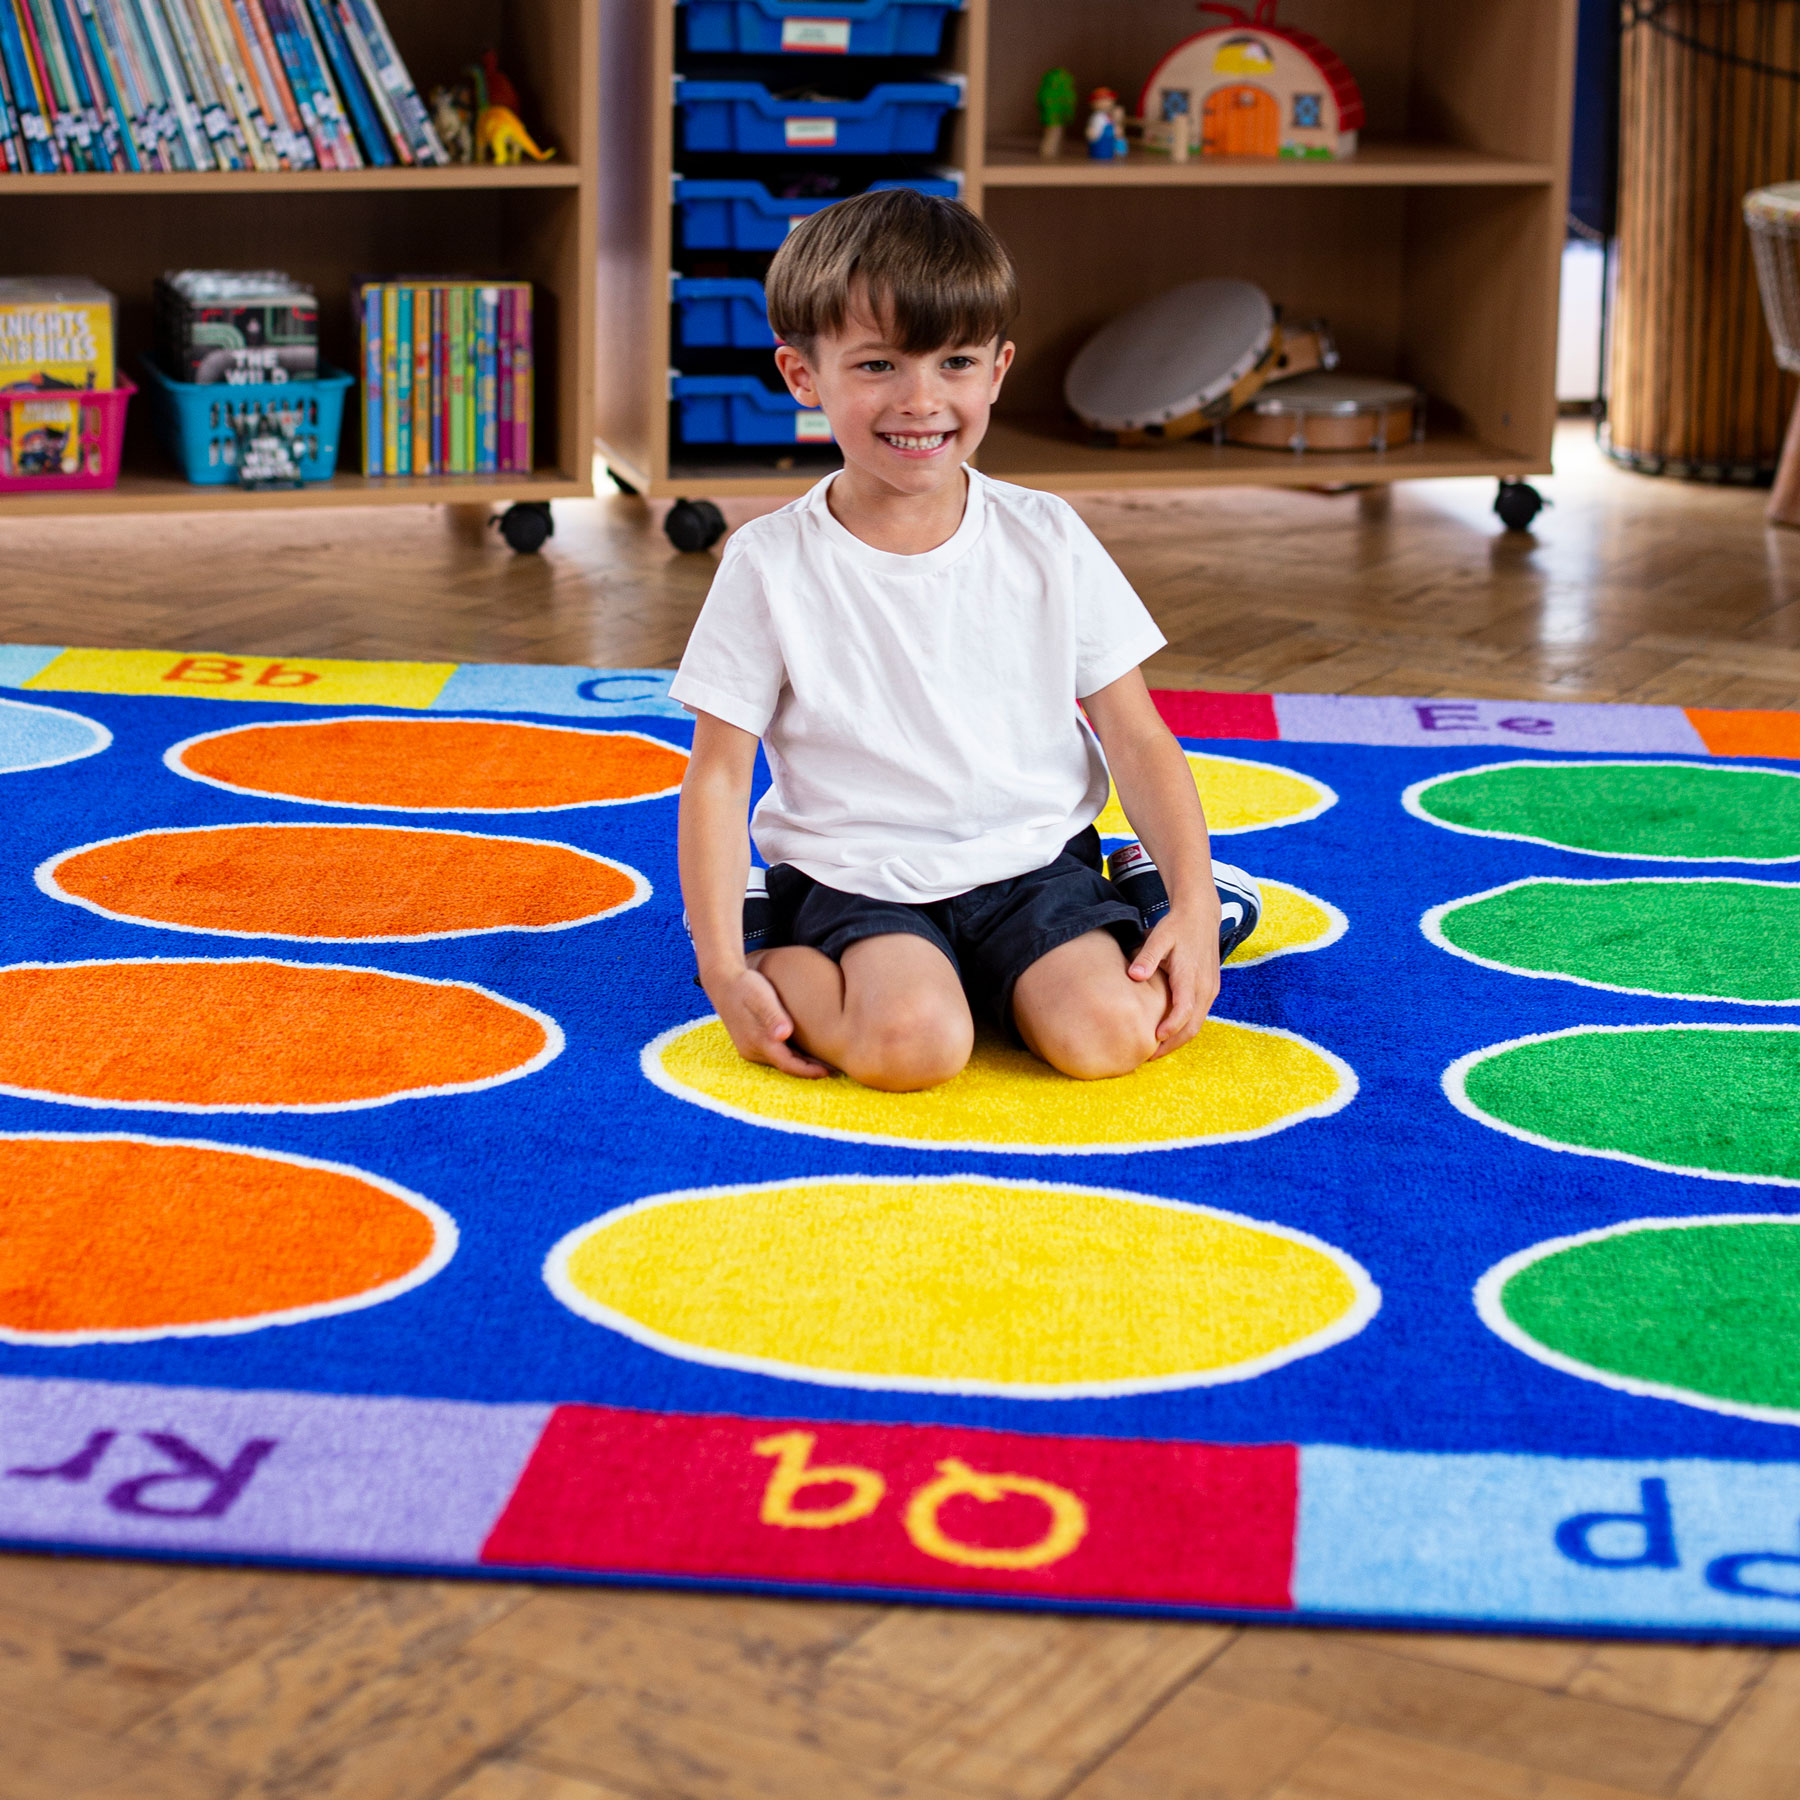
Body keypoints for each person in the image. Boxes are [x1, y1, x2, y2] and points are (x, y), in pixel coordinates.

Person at [672, 188, 1260, 1094]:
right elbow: (717, 770)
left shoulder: (1048, 534)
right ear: (801, 376)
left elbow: (1136, 732)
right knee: (915, 1048)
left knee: (1108, 1036)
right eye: (877, 365)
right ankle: (773, 930)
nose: (921, 400)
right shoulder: (767, 562)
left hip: (1032, 863)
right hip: (855, 876)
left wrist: (1192, 895)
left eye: (954, 362)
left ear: (997, 370)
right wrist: (721, 968)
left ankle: (1136, 898)